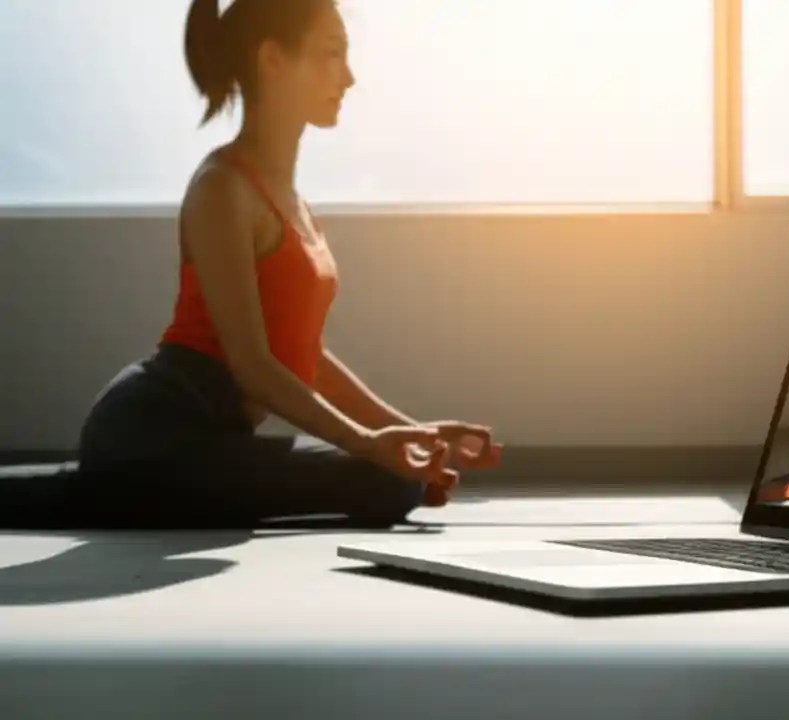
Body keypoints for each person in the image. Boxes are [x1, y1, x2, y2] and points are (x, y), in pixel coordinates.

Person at [64, 0, 503, 528]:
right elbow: (251, 364)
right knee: (384, 480)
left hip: (214, 441)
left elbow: (302, 355)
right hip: (150, 434)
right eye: (332, 54)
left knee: (392, 475)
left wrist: (415, 434)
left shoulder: (291, 202)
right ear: (272, 59)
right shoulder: (222, 189)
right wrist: (367, 443)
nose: (349, 77)